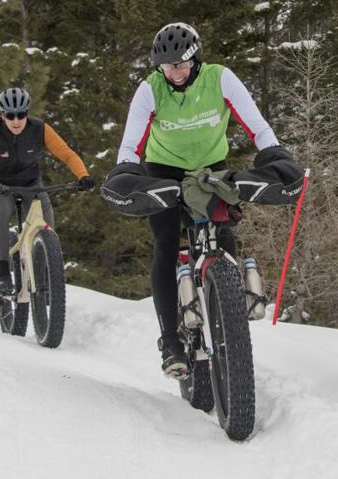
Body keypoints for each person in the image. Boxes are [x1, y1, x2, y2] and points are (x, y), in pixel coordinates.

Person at [101, 22, 304, 377]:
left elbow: (257, 126)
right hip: (163, 171)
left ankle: (229, 314)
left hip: (212, 170)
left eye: (180, 65)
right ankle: (171, 341)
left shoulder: (220, 79)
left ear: (195, 60)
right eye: (167, 67)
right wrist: (126, 172)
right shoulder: (150, 89)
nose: (175, 73)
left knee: (224, 237)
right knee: (166, 243)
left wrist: (276, 156)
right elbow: (131, 143)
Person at [0, 87, 96, 296]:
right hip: (0, 187)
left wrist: (83, 175)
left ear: (27, 113)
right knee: (0, 216)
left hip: (31, 184)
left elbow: (67, 155)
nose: (16, 121)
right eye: (10, 116)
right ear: (2, 115)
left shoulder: (40, 128)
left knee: (46, 223)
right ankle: (3, 276)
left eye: (21, 114)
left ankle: (45, 274)